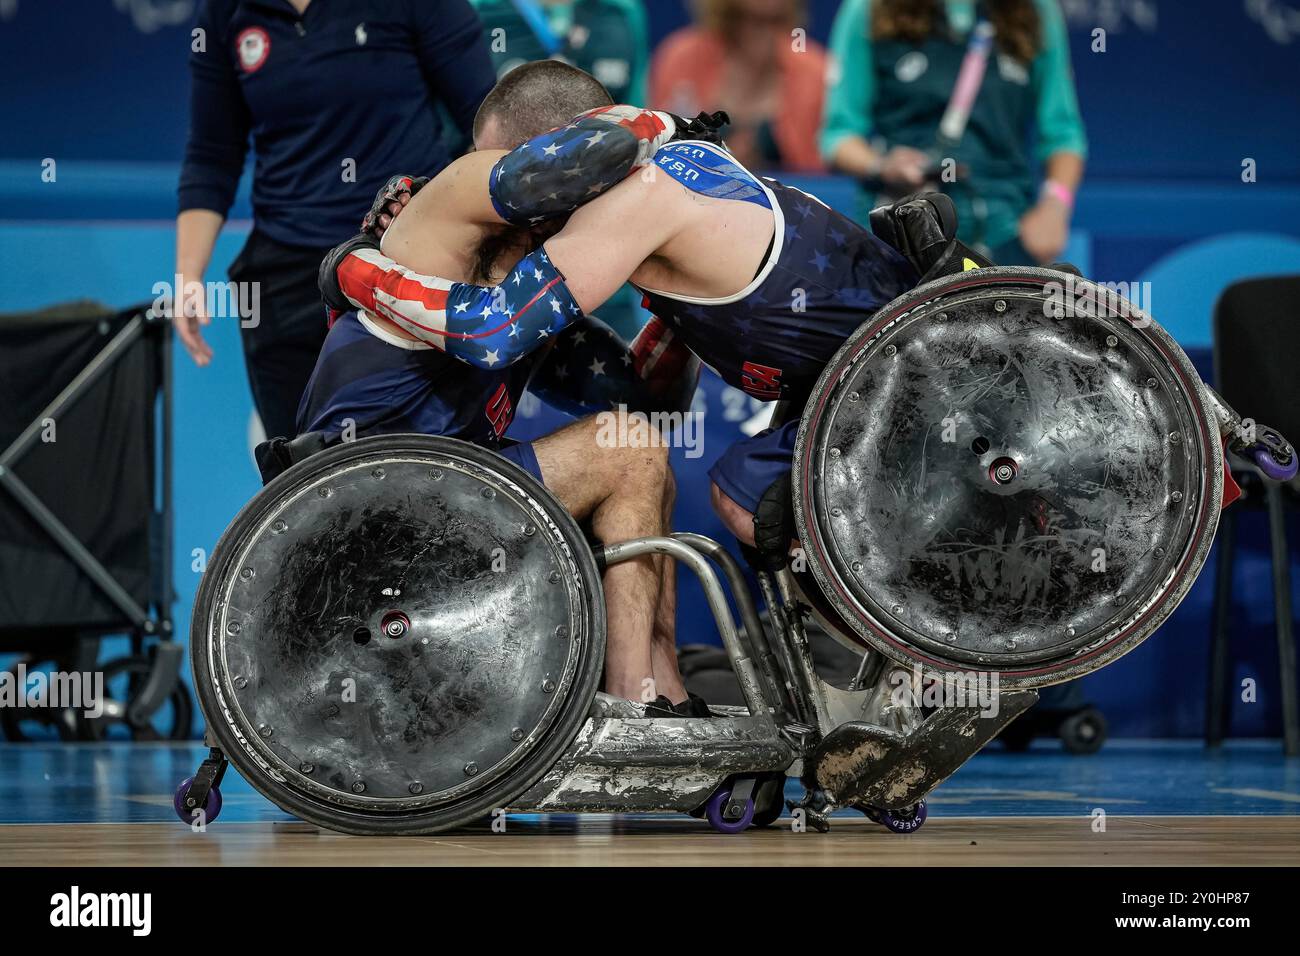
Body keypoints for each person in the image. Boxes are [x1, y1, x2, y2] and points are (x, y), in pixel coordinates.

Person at [318, 101, 943, 555]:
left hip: (903, 372)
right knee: (715, 481)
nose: (488, 199)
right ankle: (662, 695)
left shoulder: (631, 199)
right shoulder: (678, 174)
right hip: (882, 357)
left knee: (746, 502)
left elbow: (493, 332)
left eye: (496, 172)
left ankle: (892, 656)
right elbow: (653, 403)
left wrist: (352, 268)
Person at [297, 62, 702, 714]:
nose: (473, 170)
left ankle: (663, 691)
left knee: (641, 446)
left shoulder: (539, 273)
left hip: (438, 495)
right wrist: (670, 134)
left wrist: (691, 290)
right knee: (626, 451)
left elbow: (651, 399)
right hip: (365, 502)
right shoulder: (457, 190)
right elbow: (493, 331)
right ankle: (635, 704)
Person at [174, 0, 497, 441]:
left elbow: (485, 126)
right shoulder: (224, 12)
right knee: (298, 477)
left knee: (416, 468)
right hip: (285, 281)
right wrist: (188, 275)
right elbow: (211, 155)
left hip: (405, 263)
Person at [821, 0, 1087, 264]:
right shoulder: (869, 8)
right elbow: (837, 136)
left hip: (1005, 233)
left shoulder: (1035, 9)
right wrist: (882, 165)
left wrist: (1055, 206)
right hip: (906, 235)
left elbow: (1063, 132)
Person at [651, 0, 828, 173]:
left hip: (785, 198)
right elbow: (657, 154)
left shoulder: (814, 71)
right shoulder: (682, 59)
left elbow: (821, 173)